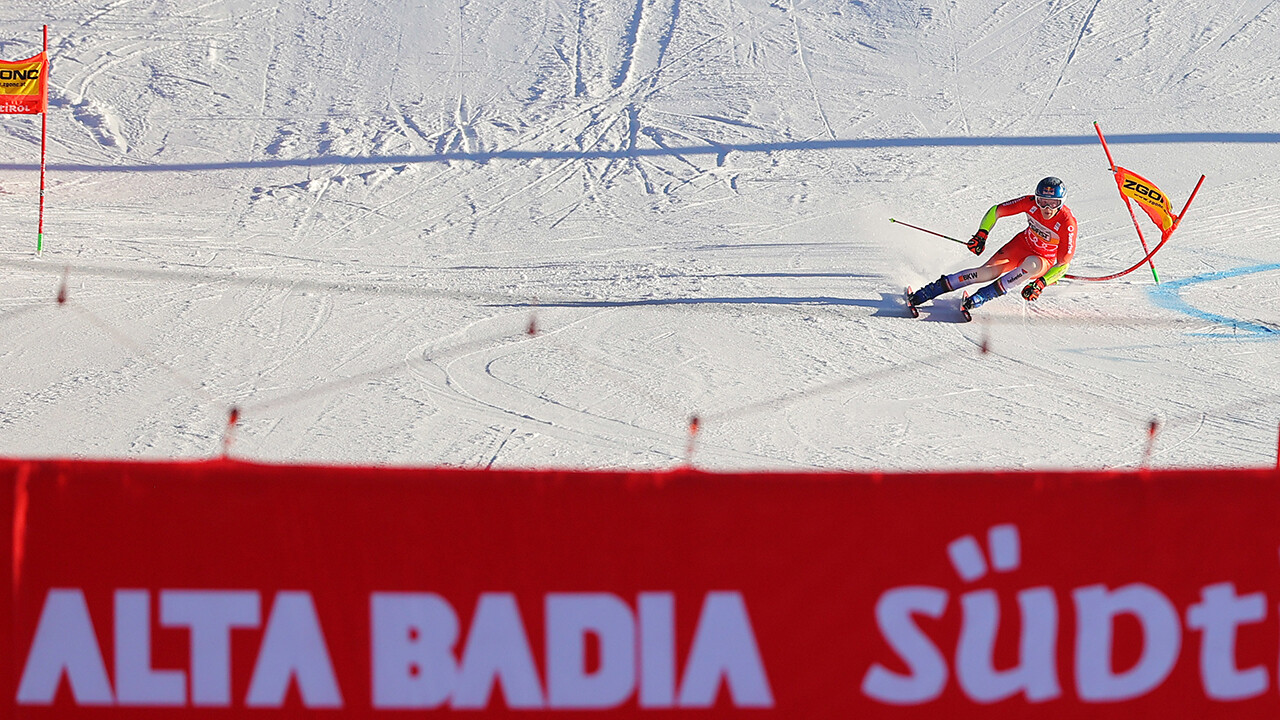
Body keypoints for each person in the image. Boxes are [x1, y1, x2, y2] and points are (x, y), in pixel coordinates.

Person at [908, 177, 1077, 318]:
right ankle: (929, 291)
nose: (1047, 208)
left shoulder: (1067, 223)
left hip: (1042, 260)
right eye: (1043, 201)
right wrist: (982, 234)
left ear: (1061, 203)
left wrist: (1041, 283)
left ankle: (983, 296)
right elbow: (997, 211)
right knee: (986, 272)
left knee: (1031, 265)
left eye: (1053, 204)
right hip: (1021, 246)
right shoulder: (1029, 202)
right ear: (1036, 198)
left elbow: (1063, 263)